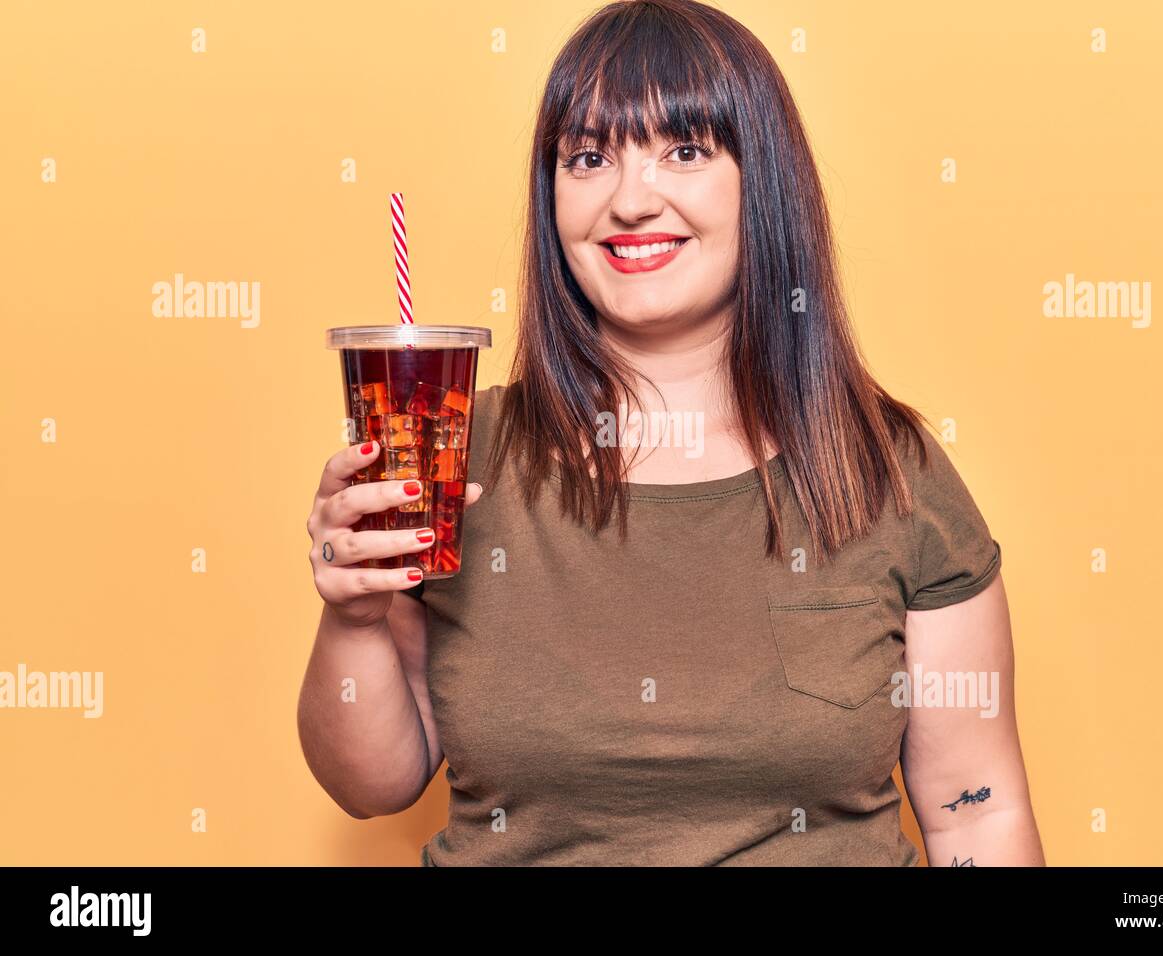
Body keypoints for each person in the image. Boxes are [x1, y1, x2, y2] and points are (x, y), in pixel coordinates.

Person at [299, 0, 1045, 867]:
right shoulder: (454, 452)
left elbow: (976, 816)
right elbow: (371, 787)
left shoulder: (887, 468)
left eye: (684, 151)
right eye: (588, 158)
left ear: (761, 180)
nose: (629, 200)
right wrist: (351, 620)